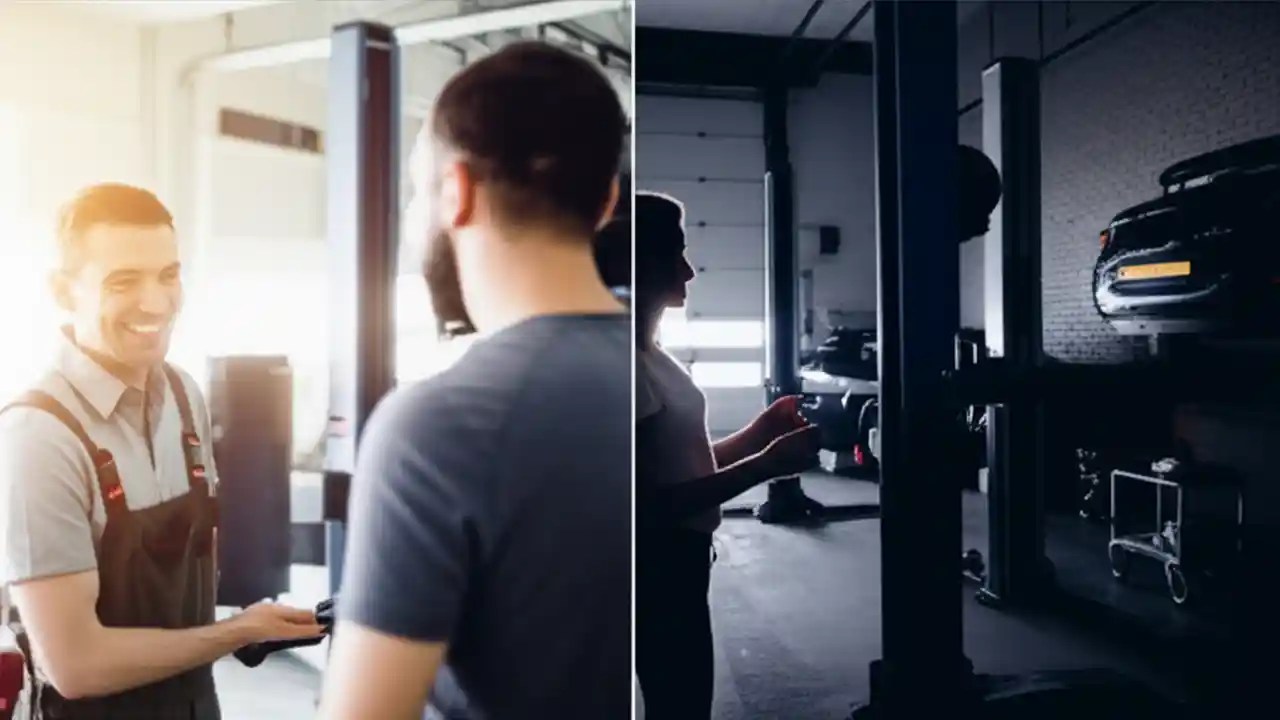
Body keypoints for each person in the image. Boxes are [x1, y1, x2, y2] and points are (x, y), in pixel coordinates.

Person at [317, 42, 631, 719]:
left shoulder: (437, 425)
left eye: (415, 189)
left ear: (455, 192)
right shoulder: (652, 378)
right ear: (606, 201)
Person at [0, 183, 325, 719]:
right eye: (123, 282)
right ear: (63, 291)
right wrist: (233, 632)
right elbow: (75, 665)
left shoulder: (182, 394)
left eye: (168, 276)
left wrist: (247, 627)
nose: (156, 302)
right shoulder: (39, 437)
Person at [633, 190, 823, 719]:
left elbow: (680, 462)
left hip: (682, 561)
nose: (689, 272)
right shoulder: (624, 365)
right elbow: (650, 506)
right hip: (656, 567)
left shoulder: (655, 356)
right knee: (680, 706)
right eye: (677, 254)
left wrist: (759, 434)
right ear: (642, 264)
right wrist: (769, 464)